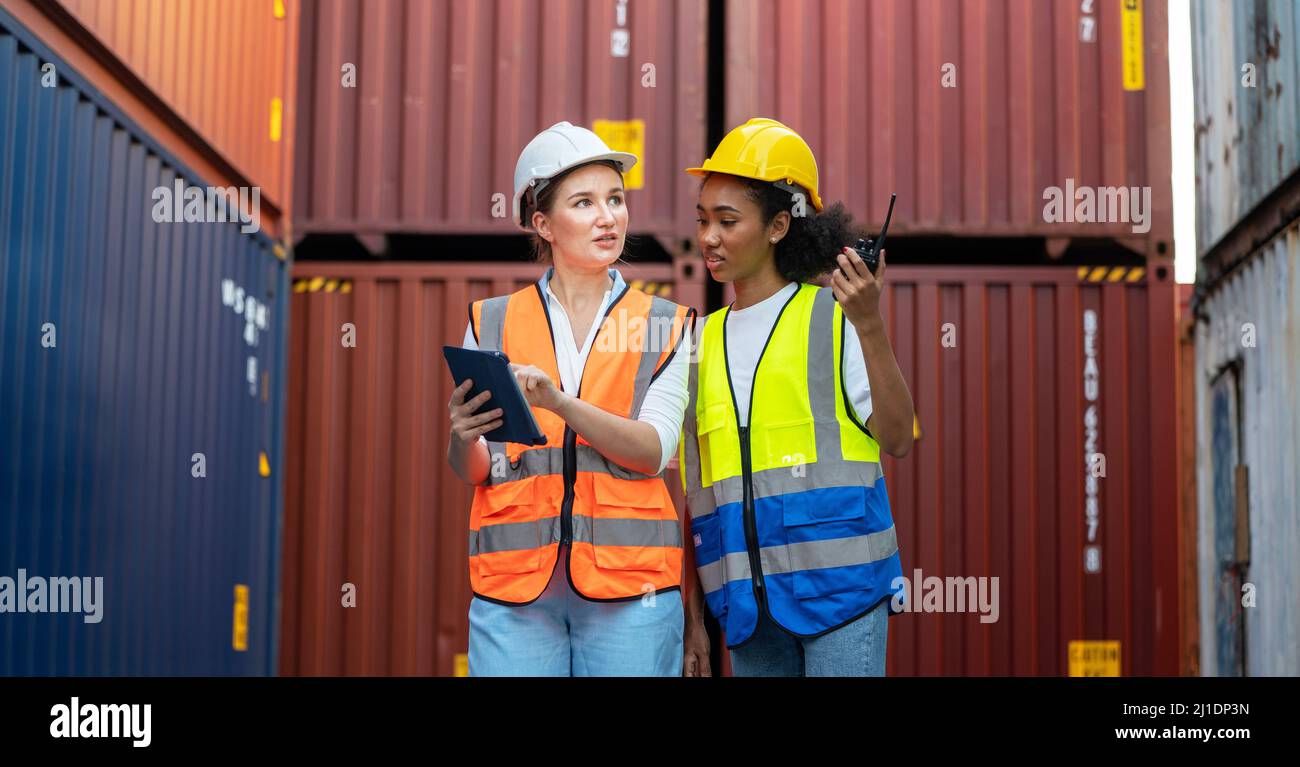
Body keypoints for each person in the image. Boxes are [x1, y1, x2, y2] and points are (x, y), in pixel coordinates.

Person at [446, 122, 695, 676]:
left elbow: (653, 451)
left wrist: (558, 403)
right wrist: (460, 437)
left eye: (615, 199)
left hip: (632, 591)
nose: (608, 217)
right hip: (515, 591)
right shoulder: (490, 322)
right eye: (584, 203)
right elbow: (476, 470)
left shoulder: (667, 326)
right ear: (543, 223)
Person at [679, 118, 914, 677]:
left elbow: (899, 437)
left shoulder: (834, 317)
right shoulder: (695, 343)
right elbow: (691, 489)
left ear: (780, 225)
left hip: (843, 597)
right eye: (703, 220)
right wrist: (694, 618)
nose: (708, 237)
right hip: (745, 612)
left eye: (728, 221)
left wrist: (871, 325)